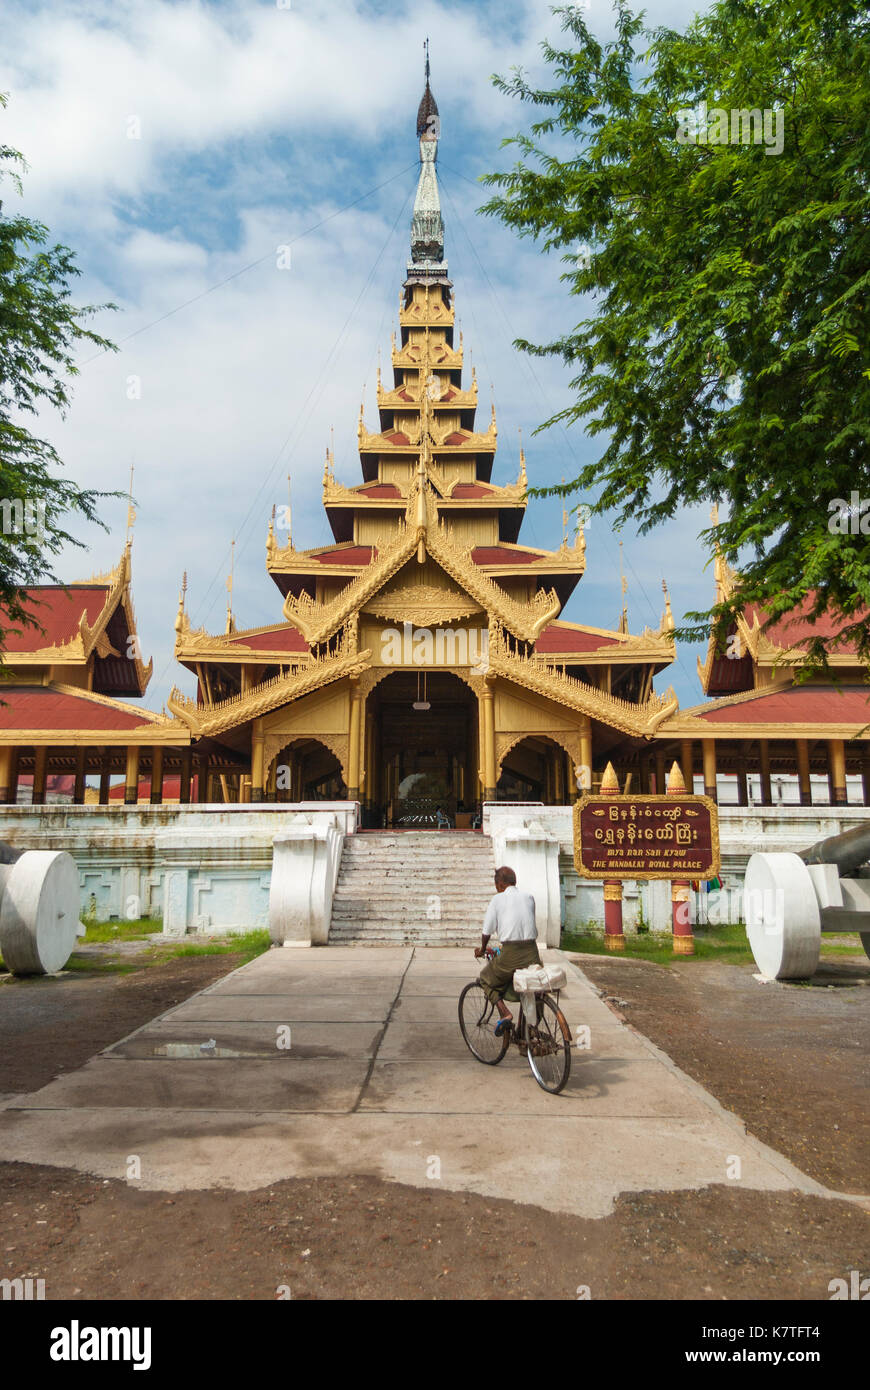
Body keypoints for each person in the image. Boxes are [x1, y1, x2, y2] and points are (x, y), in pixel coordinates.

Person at [474, 865, 541, 1034]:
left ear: (499, 884)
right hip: (533, 952)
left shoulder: (498, 900)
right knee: (532, 988)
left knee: (485, 978)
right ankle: (527, 1031)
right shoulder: (529, 897)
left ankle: (505, 1014)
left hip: (511, 953)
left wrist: (482, 949)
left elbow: (487, 931)